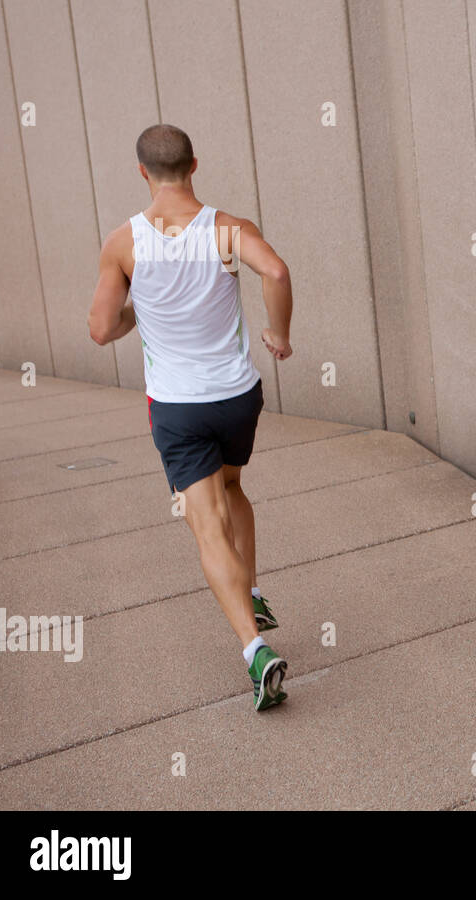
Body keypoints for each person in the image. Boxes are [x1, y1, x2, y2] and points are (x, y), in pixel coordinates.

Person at [88, 124, 294, 711]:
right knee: (233, 488)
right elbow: (275, 273)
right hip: (235, 396)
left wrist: (138, 312)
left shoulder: (123, 243)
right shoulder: (229, 230)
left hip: (176, 407)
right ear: (194, 164)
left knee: (206, 524)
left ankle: (255, 650)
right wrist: (279, 334)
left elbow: (102, 329)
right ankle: (251, 591)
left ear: (142, 172)